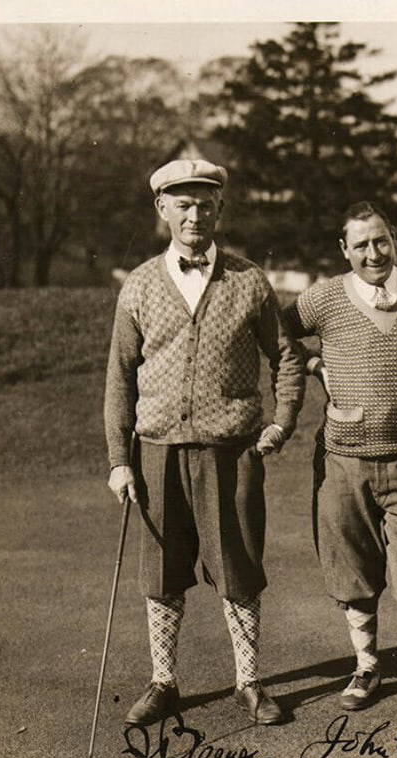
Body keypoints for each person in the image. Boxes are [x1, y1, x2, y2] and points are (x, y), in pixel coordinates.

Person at [104, 158, 305, 727]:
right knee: (163, 575)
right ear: (162, 209)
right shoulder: (140, 284)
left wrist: (282, 420)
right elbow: (120, 376)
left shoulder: (248, 280)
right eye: (183, 204)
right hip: (157, 452)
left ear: (220, 209)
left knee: (237, 569)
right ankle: (164, 682)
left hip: (231, 450)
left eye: (206, 204)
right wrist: (120, 460)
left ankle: (249, 682)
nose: (195, 215)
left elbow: (286, 356)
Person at [284, 202, 397, 731]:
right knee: (352, 567)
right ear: (344, 250)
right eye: (360, 245)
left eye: (381, 241)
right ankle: (367, 667)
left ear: (395, 241)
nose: (373, 253)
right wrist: (313, 364)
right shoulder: (323, 298)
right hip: (343, 458)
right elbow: (278, 336)